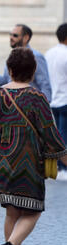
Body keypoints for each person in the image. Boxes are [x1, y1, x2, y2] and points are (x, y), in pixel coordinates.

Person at [0, 47, 67, 245]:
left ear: (9, 69)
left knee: (12, 210)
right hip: (28, 161)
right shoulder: (36, 98)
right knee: (33, 209)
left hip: (1, 161)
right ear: (34, 71)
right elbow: (51, 134)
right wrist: (64, 157)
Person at [0, 24, 52, 102]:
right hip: (11, 107)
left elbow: (45, 85)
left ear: (26, 38)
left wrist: (42, 108)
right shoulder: (12, 56)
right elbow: (5, 81)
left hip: (30, 107)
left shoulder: (35, 56)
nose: (11, 37)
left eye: (15, 35)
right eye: (10, 34)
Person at [45, 23, 67, 180]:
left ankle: (59, 167)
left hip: (53, 100)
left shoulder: (49, 53)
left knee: (58, 134)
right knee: (64, 135)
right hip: (65, 99)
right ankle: (63, 168)